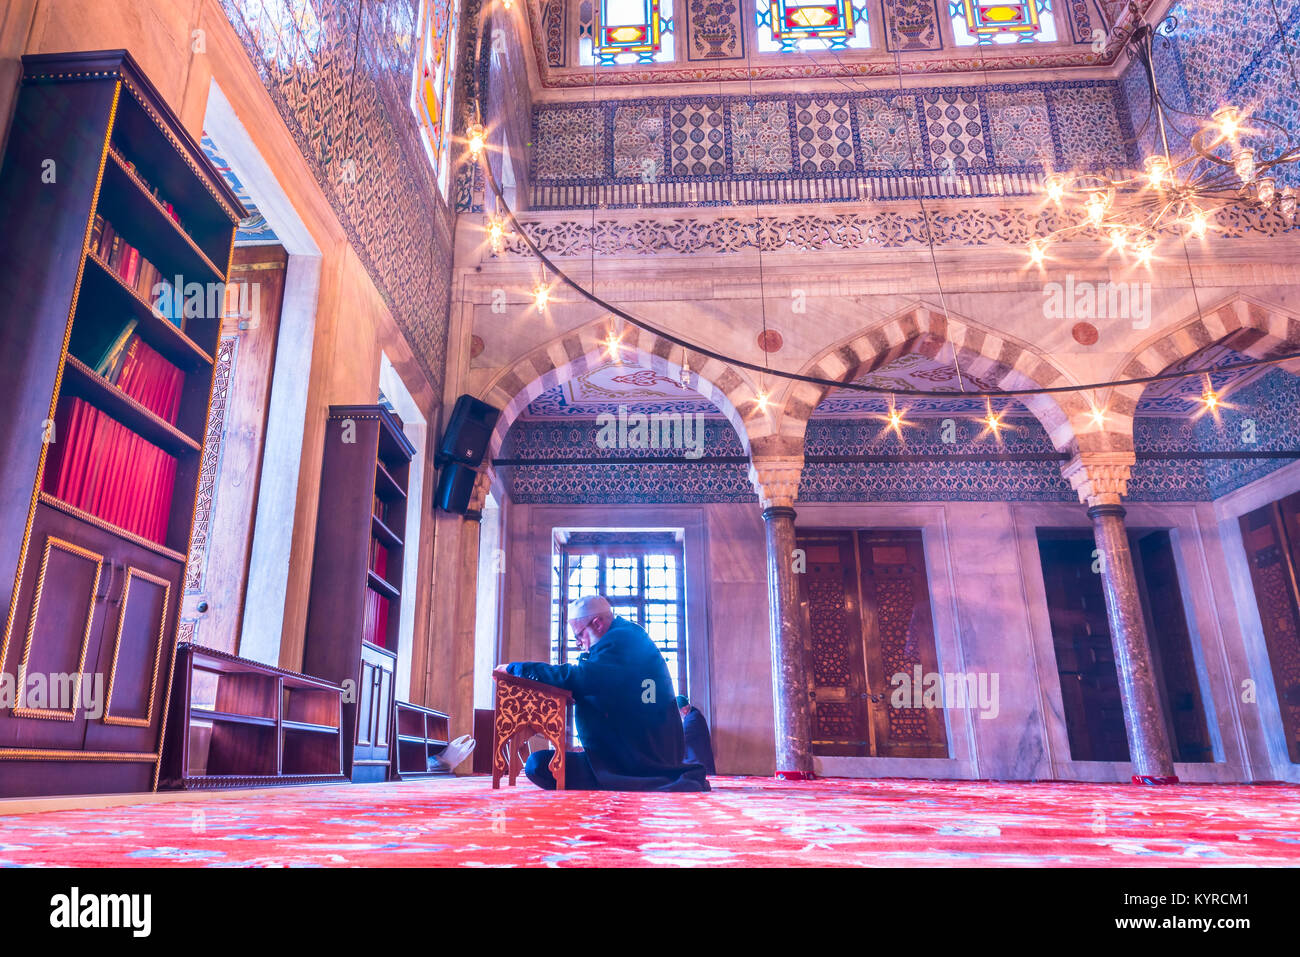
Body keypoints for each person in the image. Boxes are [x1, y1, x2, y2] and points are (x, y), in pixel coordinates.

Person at [495, 595, 710, 792]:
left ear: (597, 623)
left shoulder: (622, 640)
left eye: (579, 636)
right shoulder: (623, 636)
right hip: (633, 754)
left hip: (638, 761)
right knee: (542, 764)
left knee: (538, 765)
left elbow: (582, 677)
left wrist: (519, 669)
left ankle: (629, 781)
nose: (579, 644)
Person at [676, 694, 716, 775]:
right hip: (696, 762)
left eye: (677, 711)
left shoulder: (693, 719)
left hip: (698, 764)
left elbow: (680, 737)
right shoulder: (693, 715)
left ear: (683, 709)